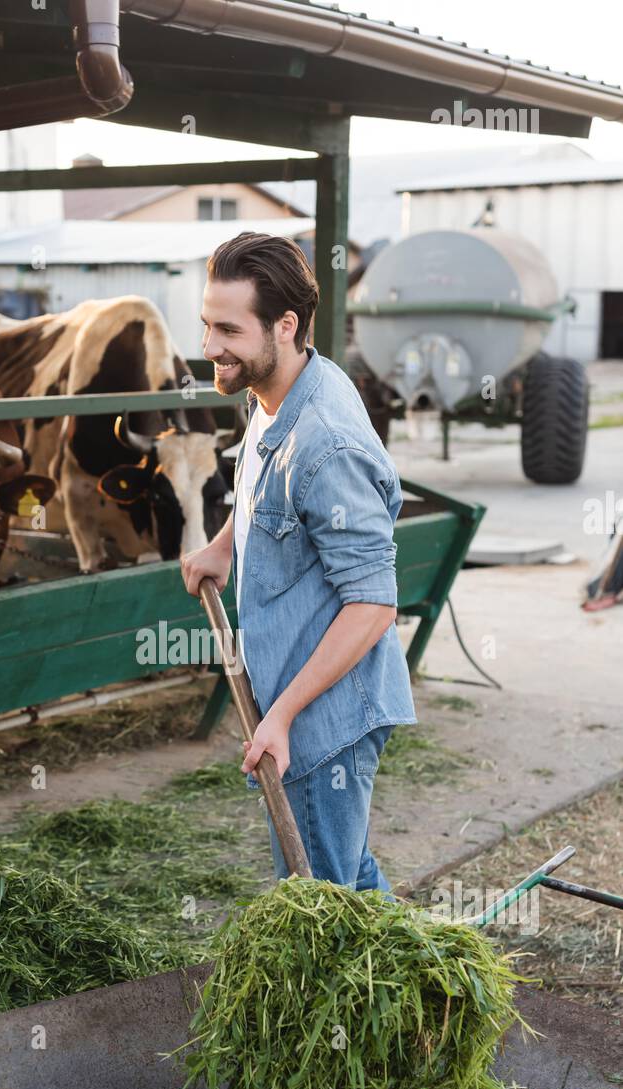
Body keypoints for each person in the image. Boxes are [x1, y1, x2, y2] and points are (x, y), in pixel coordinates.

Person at [181, 231, 416, 891]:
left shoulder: (326, 443)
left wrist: (281, 717)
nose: (209, 349)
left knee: (318, 891)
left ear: (283, 326)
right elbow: (266, 481)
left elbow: (372, 605)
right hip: (292, 687)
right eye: (205, 325)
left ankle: (375, 993)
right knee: (341, 869)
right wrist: (224, 545)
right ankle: (417, 985)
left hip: (324, 715)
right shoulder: (277, 392)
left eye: (227, 329)